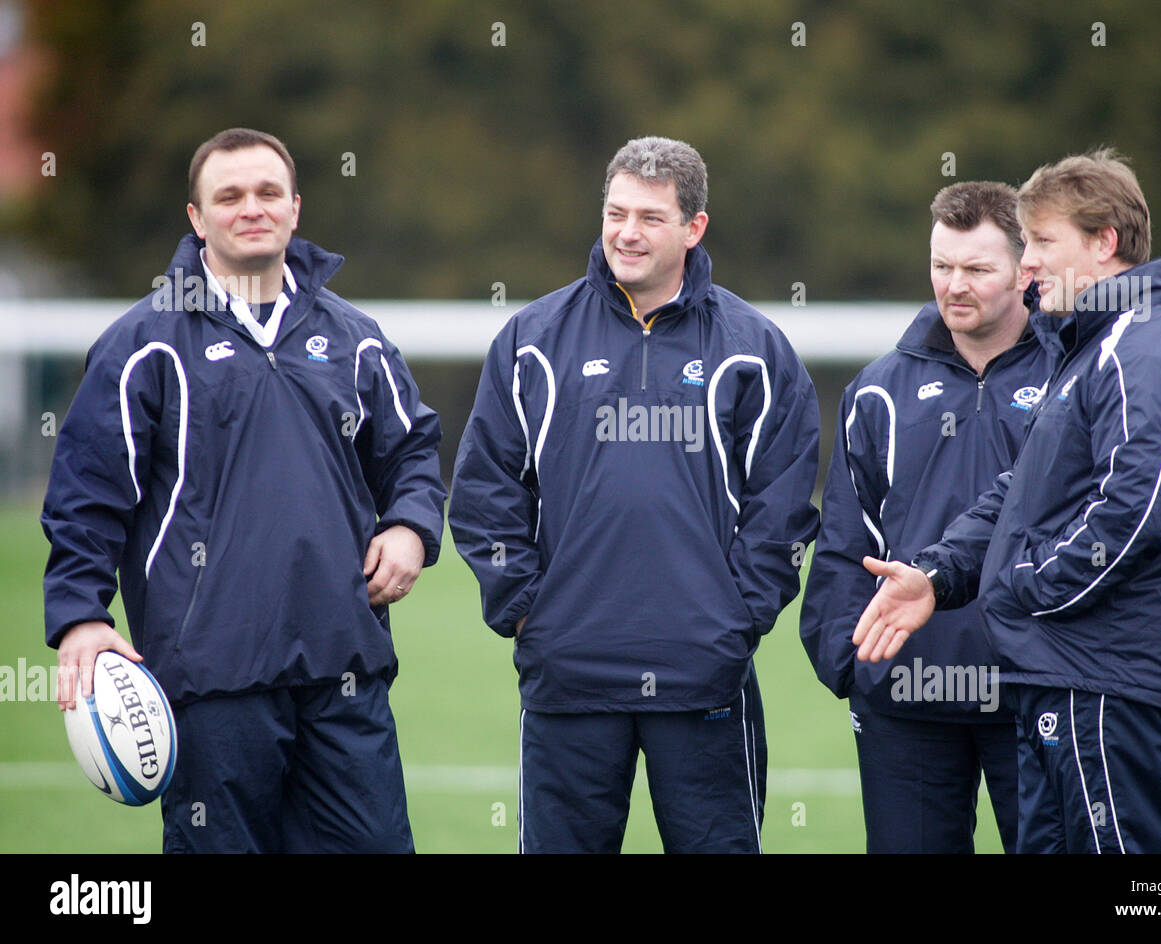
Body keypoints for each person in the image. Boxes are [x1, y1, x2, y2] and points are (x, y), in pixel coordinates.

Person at [42, 128, 446, 853]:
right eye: (228, 196)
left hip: (344, 673)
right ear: (196, 218)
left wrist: (412, 526)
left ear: (295, 208)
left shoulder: (357, 339)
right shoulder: (144, 344)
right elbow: (88, 492)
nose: (250, 208)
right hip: (209, 683)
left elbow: (413, 448)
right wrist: (79, 614)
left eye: (267, 193)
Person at [450, 136, 820, 854]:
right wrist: (524, 608)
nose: (626, 232)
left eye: (650, 217)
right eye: (616, 212)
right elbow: (484, 489)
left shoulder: (754, 348)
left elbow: (784, 504)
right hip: (568, 670)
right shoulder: (532, 340)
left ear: (694, 227)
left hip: (704, 673)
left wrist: (737, 619)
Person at [853, 149, 1161, 854]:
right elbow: (1017, 497)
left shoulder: (1142, 348)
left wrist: (1027, 588)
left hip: (1106, 672)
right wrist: (937, 576)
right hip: (1060, 668)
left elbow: (1137, 508)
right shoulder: (1085, 350)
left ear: (1105, 243)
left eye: (1042, 242)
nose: (1027, 263)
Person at [800, 181, 1052, 853]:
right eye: (942, 265)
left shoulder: (1074, 380)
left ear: (1024, 270)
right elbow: (844, 543)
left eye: (977, 268)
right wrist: (851, 664)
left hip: (1035, 694)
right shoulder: (878, 390)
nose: (955, 284)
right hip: (904, 699)